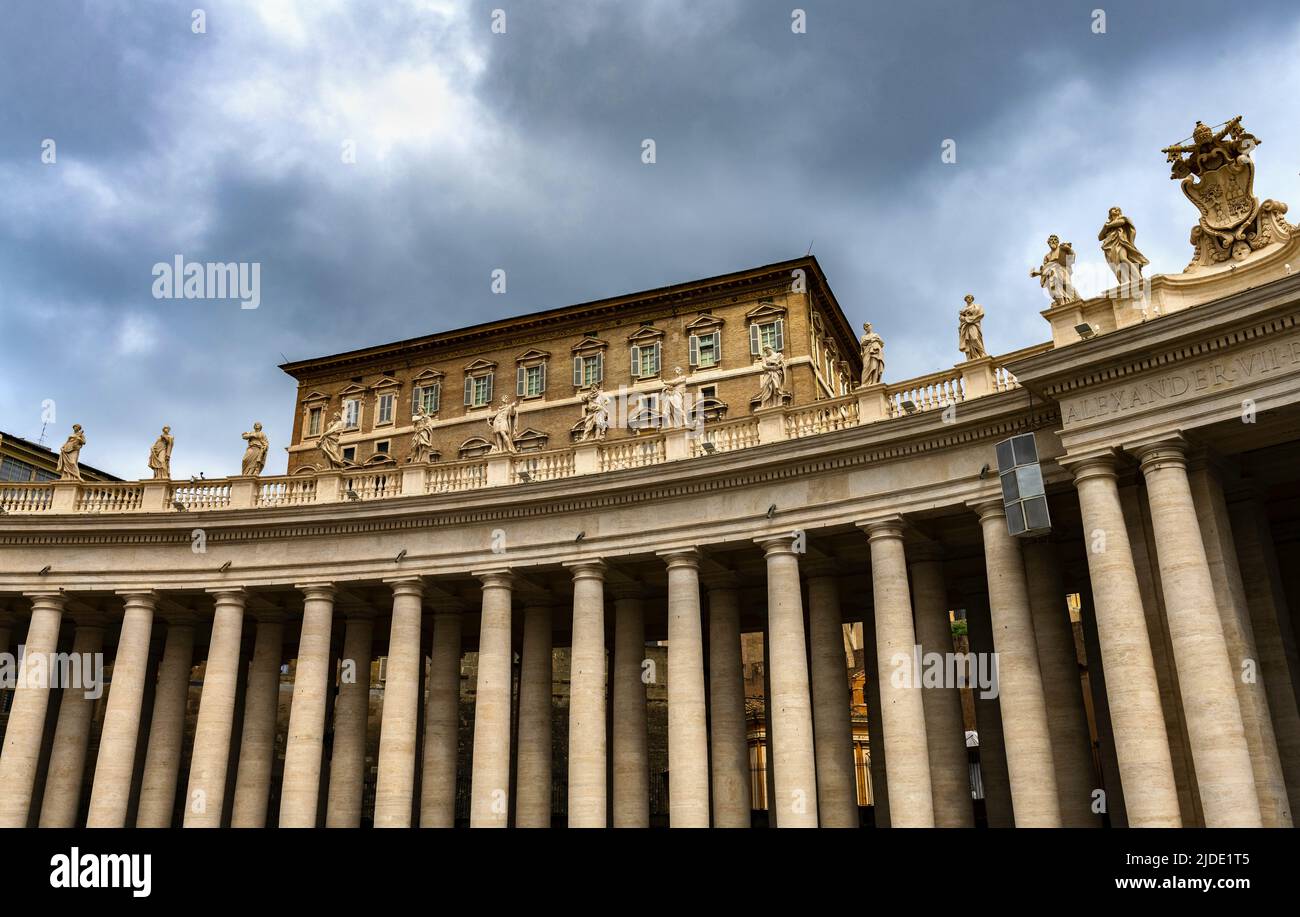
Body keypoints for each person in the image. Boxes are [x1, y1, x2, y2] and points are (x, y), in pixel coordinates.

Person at [958, 295, 987, 361]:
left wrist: (969, 318)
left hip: (973, 324)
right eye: (968, 298)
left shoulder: (977, 306)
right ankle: (973, 356)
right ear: (965, 300)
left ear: (972, 299)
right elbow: (961, 318)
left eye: (971, 298)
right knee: (968, 342)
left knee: (974, 338)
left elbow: (981, 314)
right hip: (965, 326)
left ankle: (982, 353)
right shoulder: (963, 310)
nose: (969, 299)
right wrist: (963, 318)